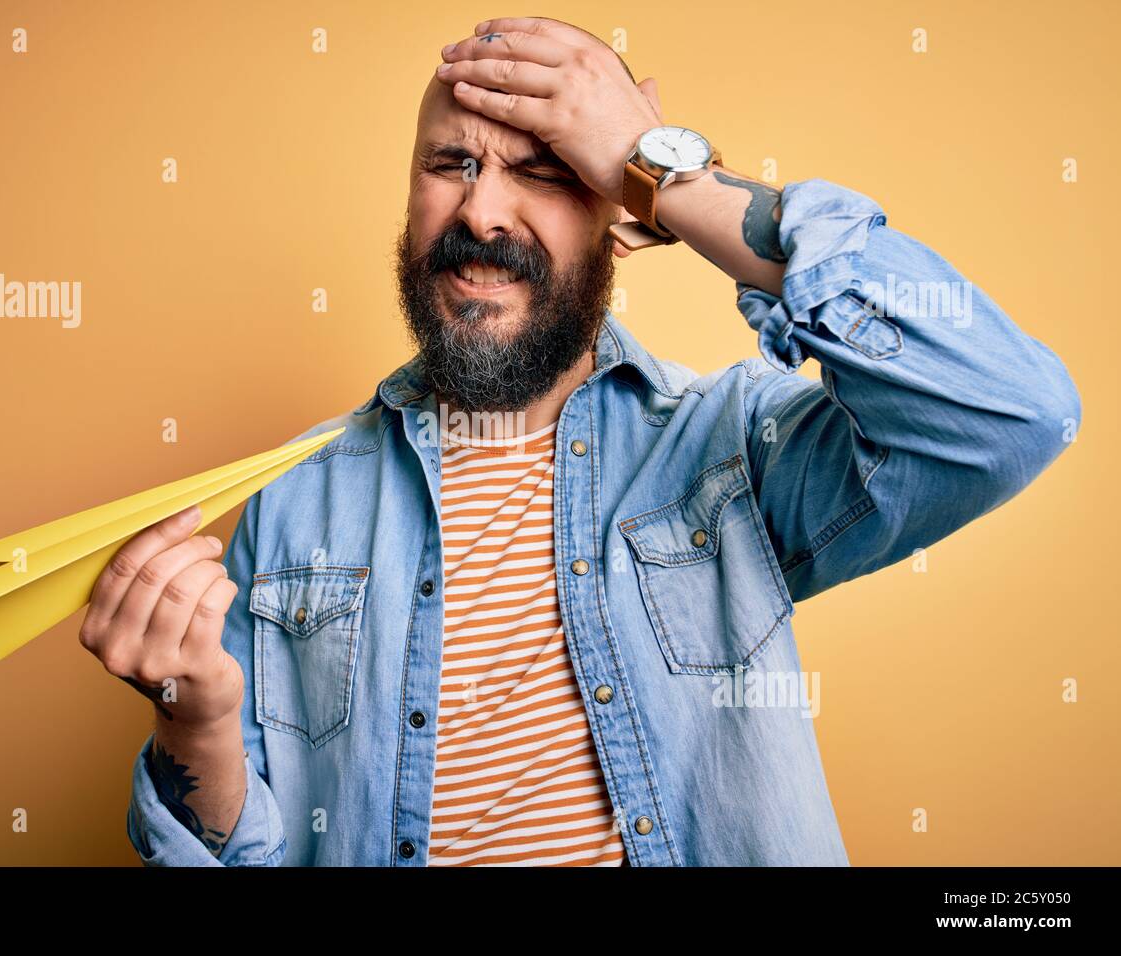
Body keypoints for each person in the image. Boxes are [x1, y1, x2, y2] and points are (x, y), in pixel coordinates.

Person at [77, 17, 1081, 866]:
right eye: (449, 164)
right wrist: (191, 722)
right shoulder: (299, 496)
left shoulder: (729, 452)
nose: (479, 208)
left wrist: (671, 174)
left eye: (545, 173)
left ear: (621, 215)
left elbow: (1006, 408)